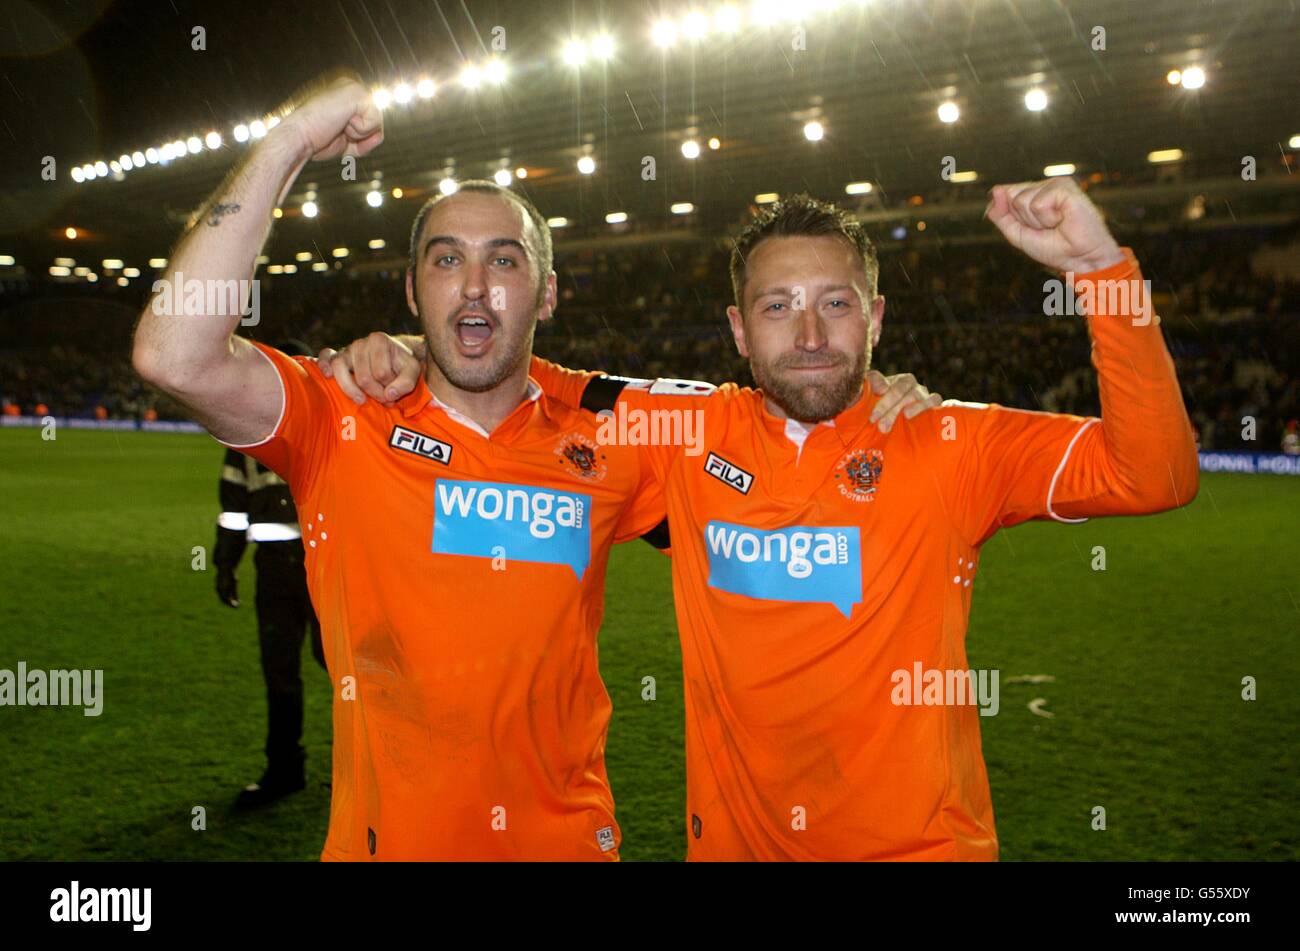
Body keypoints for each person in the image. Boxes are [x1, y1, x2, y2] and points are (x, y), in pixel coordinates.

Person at [130, 68, 944, 860]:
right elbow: (174, 355)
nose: (476, 288)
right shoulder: (344, 415)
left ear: (547, 294)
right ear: (412, 292)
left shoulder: (615, 430)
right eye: (447, 261)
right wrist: (291, 139)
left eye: (506, 262)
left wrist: (869, 390)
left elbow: (778, 415)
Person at [324, 181, 1200, 860]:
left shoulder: (947, 442)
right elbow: (546, 385)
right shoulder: (688, 434)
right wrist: (418, 349)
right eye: (779, 307)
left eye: (837, 302)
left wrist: (1102, 276)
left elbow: (1154, 471)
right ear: (740, 331)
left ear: (877, 317)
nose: (810, 332)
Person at [214, 341, 327, 809]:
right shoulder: (244, 438)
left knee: (350, 673)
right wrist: (225, 563)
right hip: (275, 570)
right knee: (279, 673)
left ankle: (382, 766)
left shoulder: (330, 423)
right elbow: (233, 509)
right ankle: (284, 768)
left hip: (329, 565)